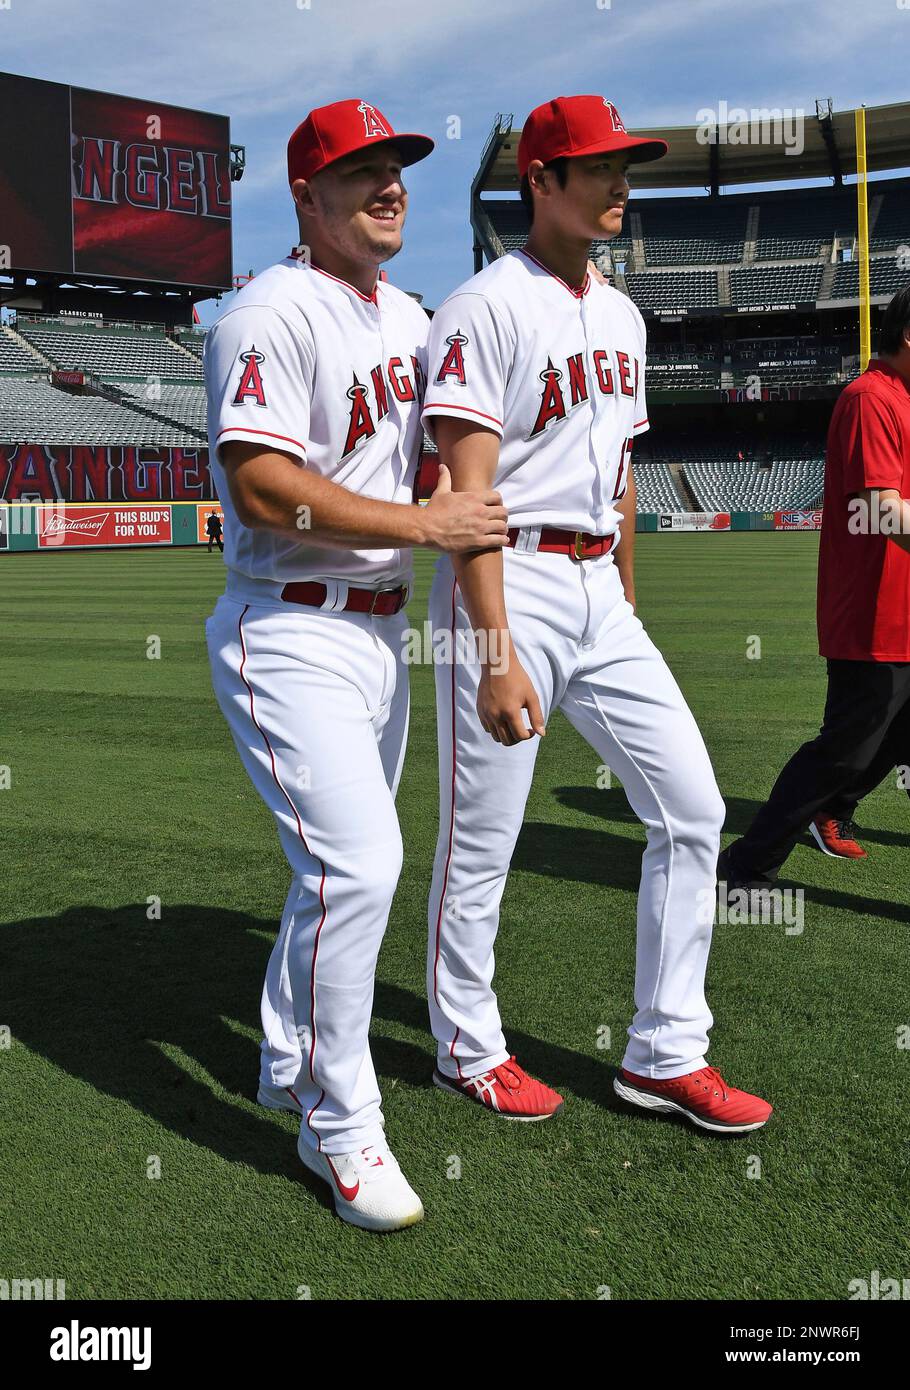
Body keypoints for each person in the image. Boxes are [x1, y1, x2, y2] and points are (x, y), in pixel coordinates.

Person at [421, 95, 772, 1134]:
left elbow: (620, 465)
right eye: (597, 168)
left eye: (626, 166)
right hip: (511, 580)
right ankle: (465, 1046)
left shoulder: (621, 313)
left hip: (596, 588)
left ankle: (664, 1052)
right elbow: (468, 492)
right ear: (539, 181)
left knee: (692, 809)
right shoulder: (483, 305)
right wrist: (492, 653)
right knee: (482, 839)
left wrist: (621, 593)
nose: (621, 185)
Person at [203, 99, 509, 1231]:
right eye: (360, 171)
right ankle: (339, 1125)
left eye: (396, 168)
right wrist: (425, 524)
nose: (388, 186)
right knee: (360, 869)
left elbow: (423, 456)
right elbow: (262, 484)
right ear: (305, 196)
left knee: (334, 873)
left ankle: (287, 1060)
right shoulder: (266, 312)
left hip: (376, 631)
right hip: (287, 625)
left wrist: (430, 501)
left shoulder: (408, 317)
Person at [720, 285, 910, 888]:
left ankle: (833, 810)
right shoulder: (869, 398)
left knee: (892, 738)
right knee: (846, 747)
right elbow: (883, 510)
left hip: (903, 609)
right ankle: (745, 865)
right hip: (872, 615)